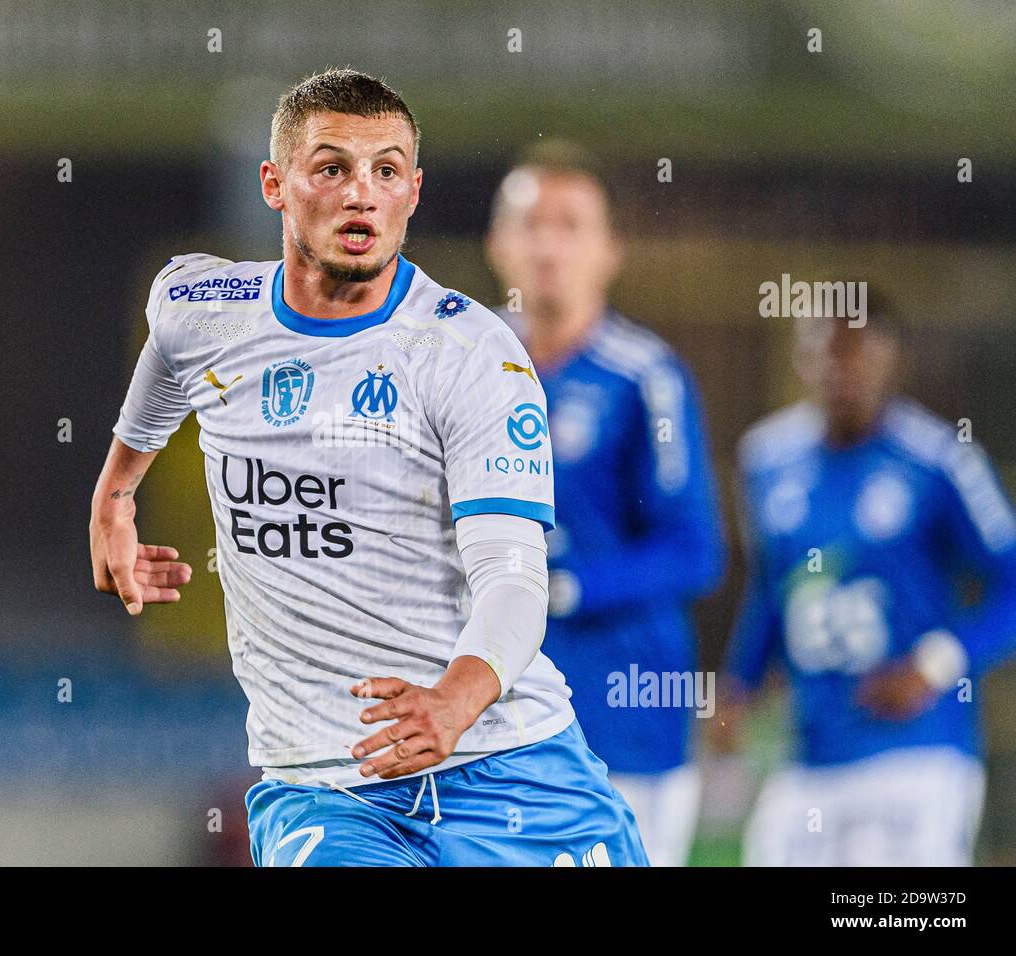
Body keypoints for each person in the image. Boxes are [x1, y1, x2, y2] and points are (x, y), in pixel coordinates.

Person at [89, 69, 646, 866]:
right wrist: (116, 493)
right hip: (326, 786)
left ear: (412, 192)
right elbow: (165, 366)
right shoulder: (203, 307)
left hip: (511, 766)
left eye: (386, 170)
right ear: (275, 185)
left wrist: (454, 700)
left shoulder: (471, 355)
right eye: (332, 168)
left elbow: (516, 581)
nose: (362, 193)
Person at [485, 140, 725, 865]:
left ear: (610, 250)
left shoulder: (644, 378)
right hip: (489, 719)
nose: (547, 244)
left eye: (570, 224)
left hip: (622, 717)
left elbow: (695, 550)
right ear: (498, 243)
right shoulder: (460, 362)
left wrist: (565, 587)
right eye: (530, 223)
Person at [720, 299, 1016, 865]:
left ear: (891, 359)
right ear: (802, 359)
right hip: (810, 751)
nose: (841, 368)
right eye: (825, 351)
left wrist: (936, 664)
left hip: (917, 750)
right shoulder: (766, 459)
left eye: (857, 353)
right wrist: (741, 683)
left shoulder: (937, 459)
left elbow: (1012, 584)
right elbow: (773, 587)